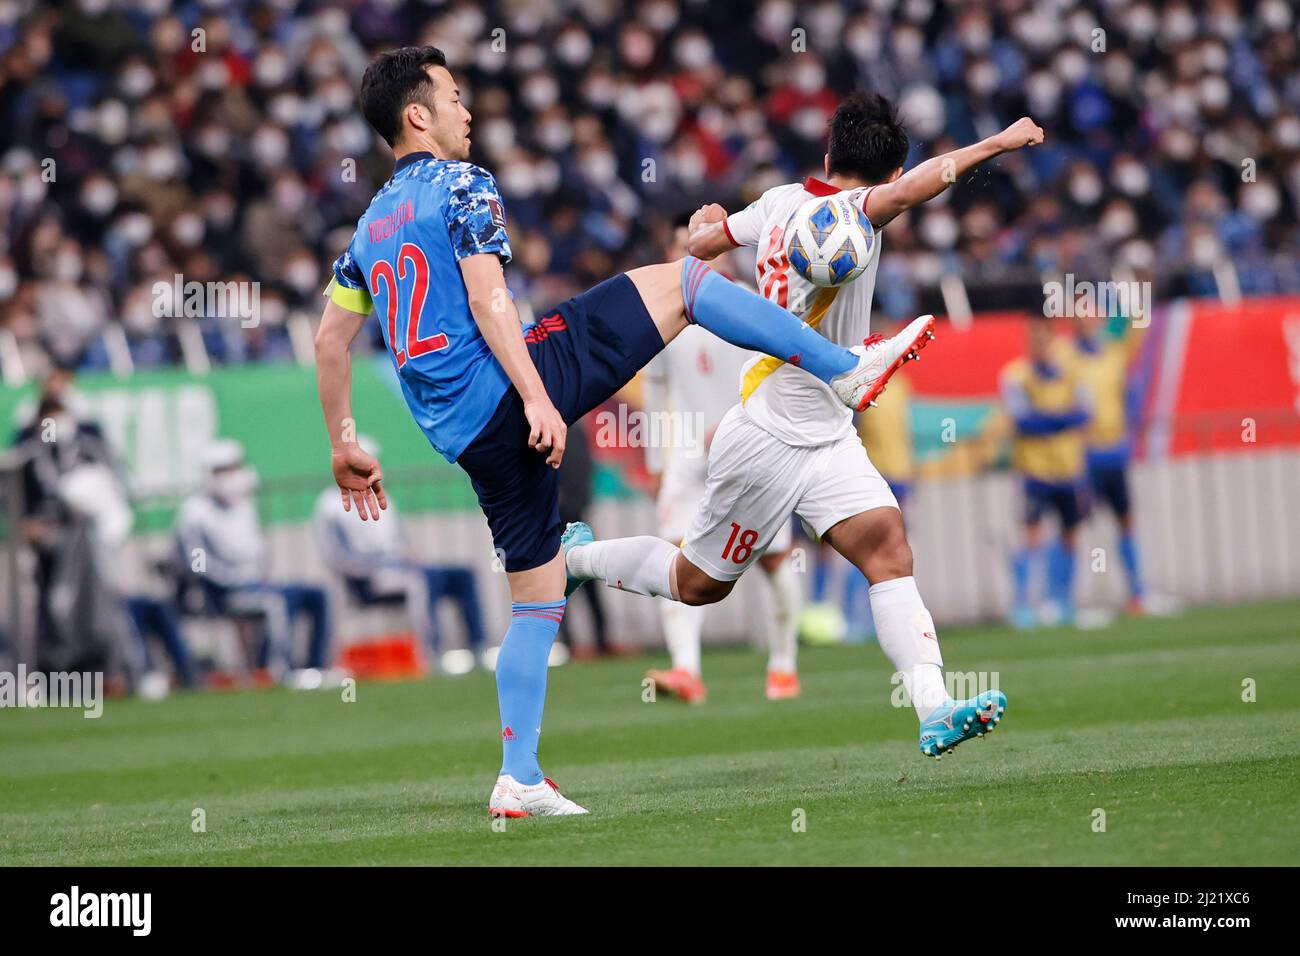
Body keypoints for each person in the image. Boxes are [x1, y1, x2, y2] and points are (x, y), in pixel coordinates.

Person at [313, 47, 925, 817]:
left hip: (463, 435)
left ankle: (518, 777)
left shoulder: (368, 227)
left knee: (536, 599)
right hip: (510, 388)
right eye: (455, 97)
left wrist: (343, 443)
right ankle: (842, 367)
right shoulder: (461, 184)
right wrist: (538, 397)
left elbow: (329, 342)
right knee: (690, 281)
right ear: (418, 116)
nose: (468, 112)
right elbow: (490, 300)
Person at [565, 95, 1043, 759]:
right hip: (767, 434)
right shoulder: (861, 212)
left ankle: (935, 710)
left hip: (827, 433)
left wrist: (706, 225)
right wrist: (998, 141)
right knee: (697, 584)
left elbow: (705, 243)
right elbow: (924, 182)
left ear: (827, 156)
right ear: (885, 174)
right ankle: (575, 558)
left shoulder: (779, 202)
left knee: (888, 551)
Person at [641, 219, 801, 704]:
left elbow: (780, 372)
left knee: (774, 560)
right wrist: (656, 458)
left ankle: (783, 666)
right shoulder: (663, 310)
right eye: (682, 249)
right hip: (688, 453)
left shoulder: (754, 299)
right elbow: (656, 387)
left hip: (750, 445)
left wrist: (747, 423)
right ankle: (686, 670)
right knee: (676, 556)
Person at [313, 437, 487, 667]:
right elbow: (337, 557)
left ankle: (479, 649)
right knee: (419, 582)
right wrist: (374, 567)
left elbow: (400, 542)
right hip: (369, 578)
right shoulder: (330, 506)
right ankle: (429, 655)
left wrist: (410, 560)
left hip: (399, 568)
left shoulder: (382, 495)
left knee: (462, 574)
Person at [176, 440, 331, 675]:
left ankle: (316, 667)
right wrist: (236, 578)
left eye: (233, 468)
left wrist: (257, 576)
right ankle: (278, 670)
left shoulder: (244, 506)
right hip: (223, 593)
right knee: (277, 602)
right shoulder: (194, 515)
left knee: (315, 594)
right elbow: (198, 564)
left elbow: (259, 549)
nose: (231, 476)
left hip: (256, 584)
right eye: (223, 470)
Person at [1000, 317, 1091, 629]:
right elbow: (1023, 421)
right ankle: (1025, 605)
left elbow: (1085, 413)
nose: (1039, 345)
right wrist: (1061, 419)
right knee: (1032, 536)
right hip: (1034, 470)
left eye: (1044, 339)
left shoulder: (1071, 372)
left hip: (1069, 468)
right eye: (1033, 339)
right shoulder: (1015, 375)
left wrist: (1047, 420)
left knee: (1069, 536)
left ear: (1052, 340)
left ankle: (1062, 601)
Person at [1067, 304, 1146, 613]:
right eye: (1082, 315)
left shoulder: (1113, 355)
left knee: (1126, 521)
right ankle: (1064, 601)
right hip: (1084, 455)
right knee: (1072, 526)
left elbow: (1126, 394)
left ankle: (1137, 593)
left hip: (1115, 451)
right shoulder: (1066, 356)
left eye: (1093, 314)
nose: (1089, 320)